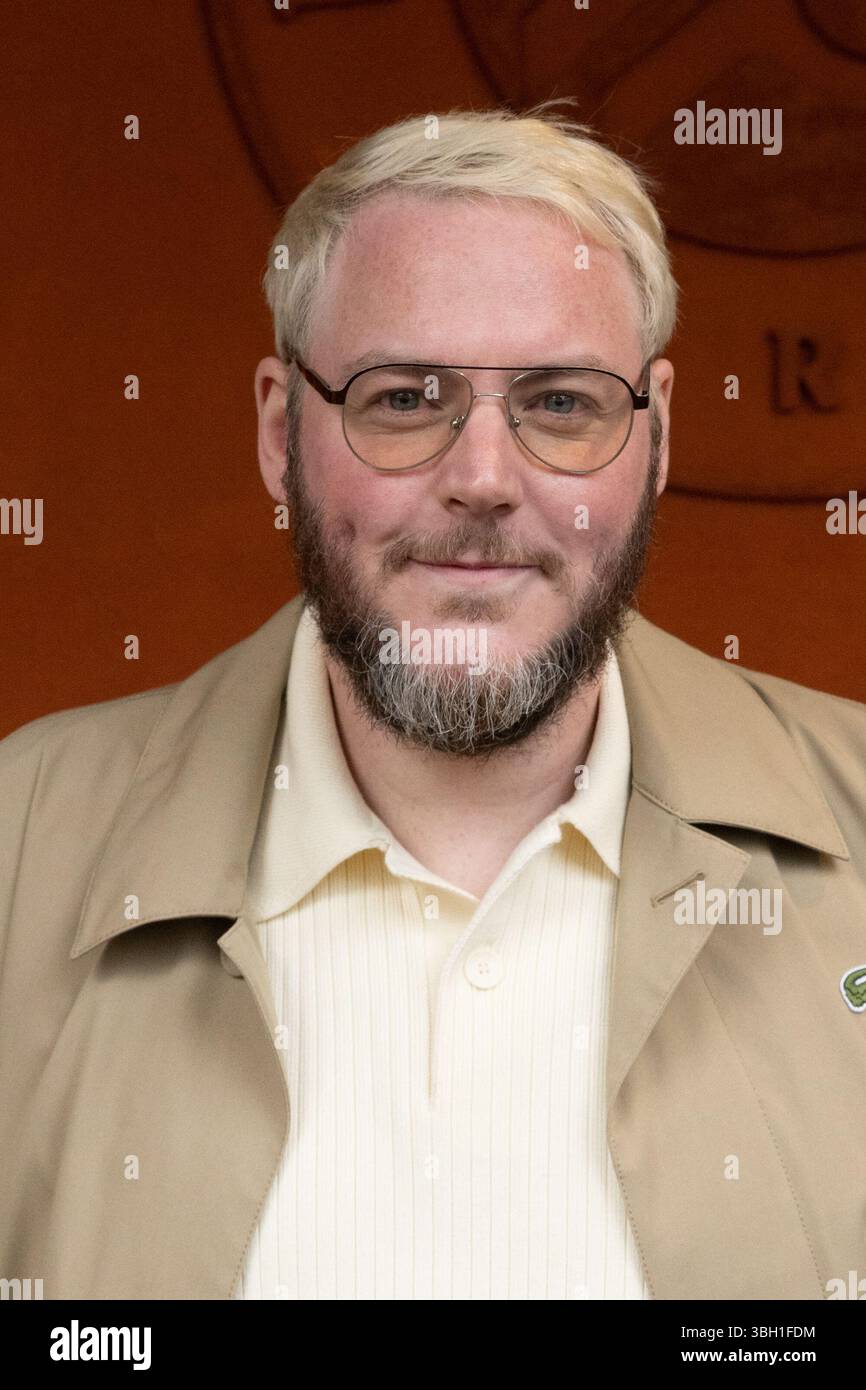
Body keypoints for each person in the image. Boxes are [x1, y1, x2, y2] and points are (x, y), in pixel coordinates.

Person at [2, 107, 865, 1303]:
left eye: (561, 402)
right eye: (404, 396)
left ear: (654, 435)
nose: (481, 480)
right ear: (277, 431)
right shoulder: (18, 850)